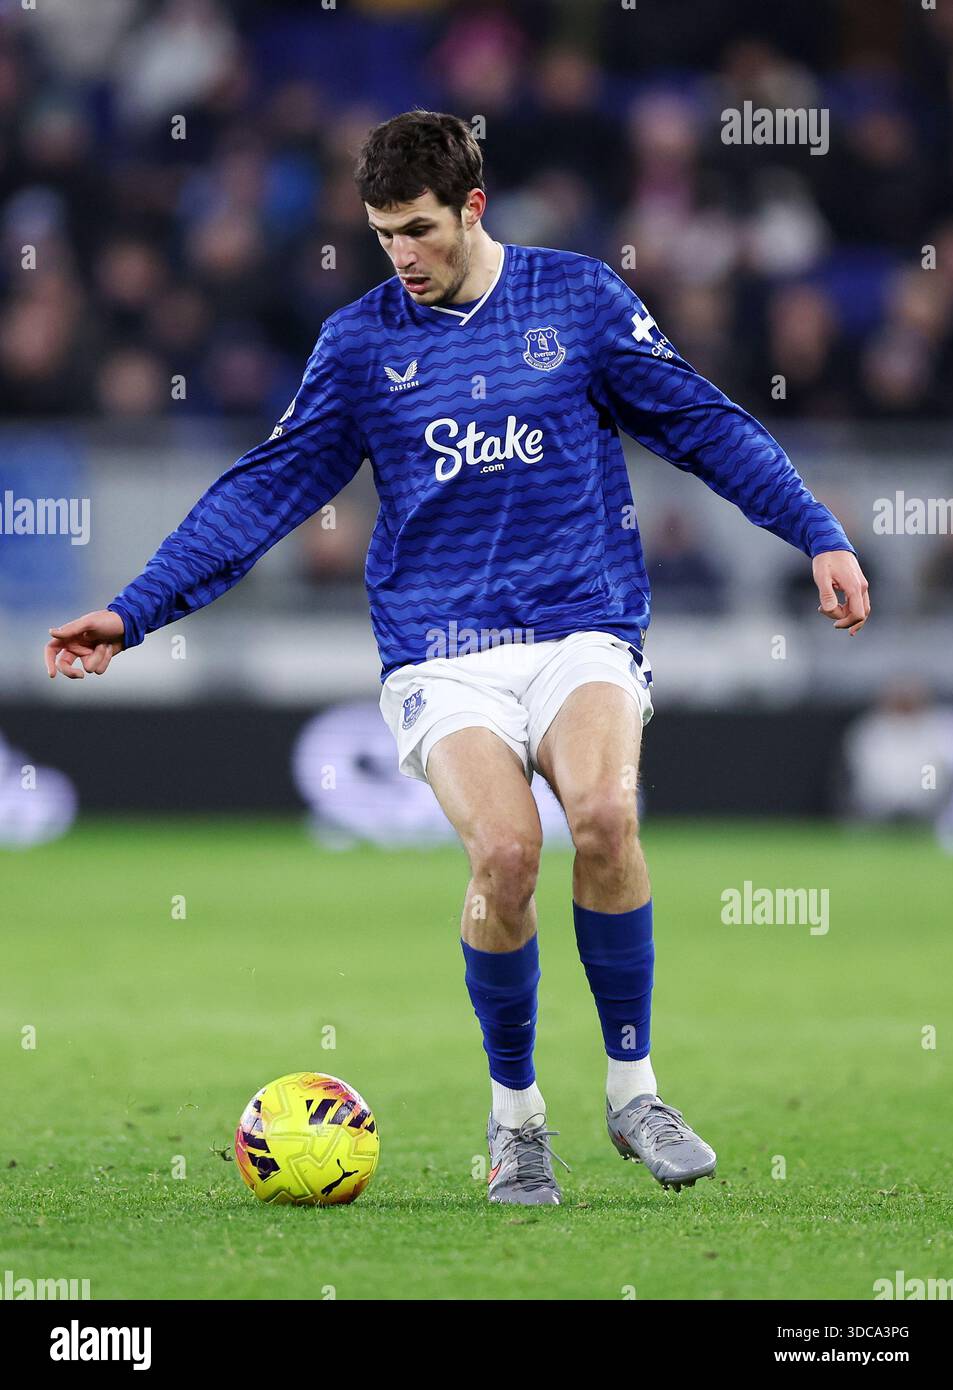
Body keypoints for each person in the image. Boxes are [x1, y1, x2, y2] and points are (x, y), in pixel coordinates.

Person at [44, 110, 870, 1206]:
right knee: (505, 856)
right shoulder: (359, 344)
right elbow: (264, 489)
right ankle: (516, 1118)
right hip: (441, 651)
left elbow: (704, 425)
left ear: (473, 208)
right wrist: (134, 610)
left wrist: (813, 529)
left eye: (419, 230)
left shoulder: (576, 300)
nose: (402, 257)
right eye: (382, 234)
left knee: (607, 821)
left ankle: (633, 1093)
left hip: (581, 626)